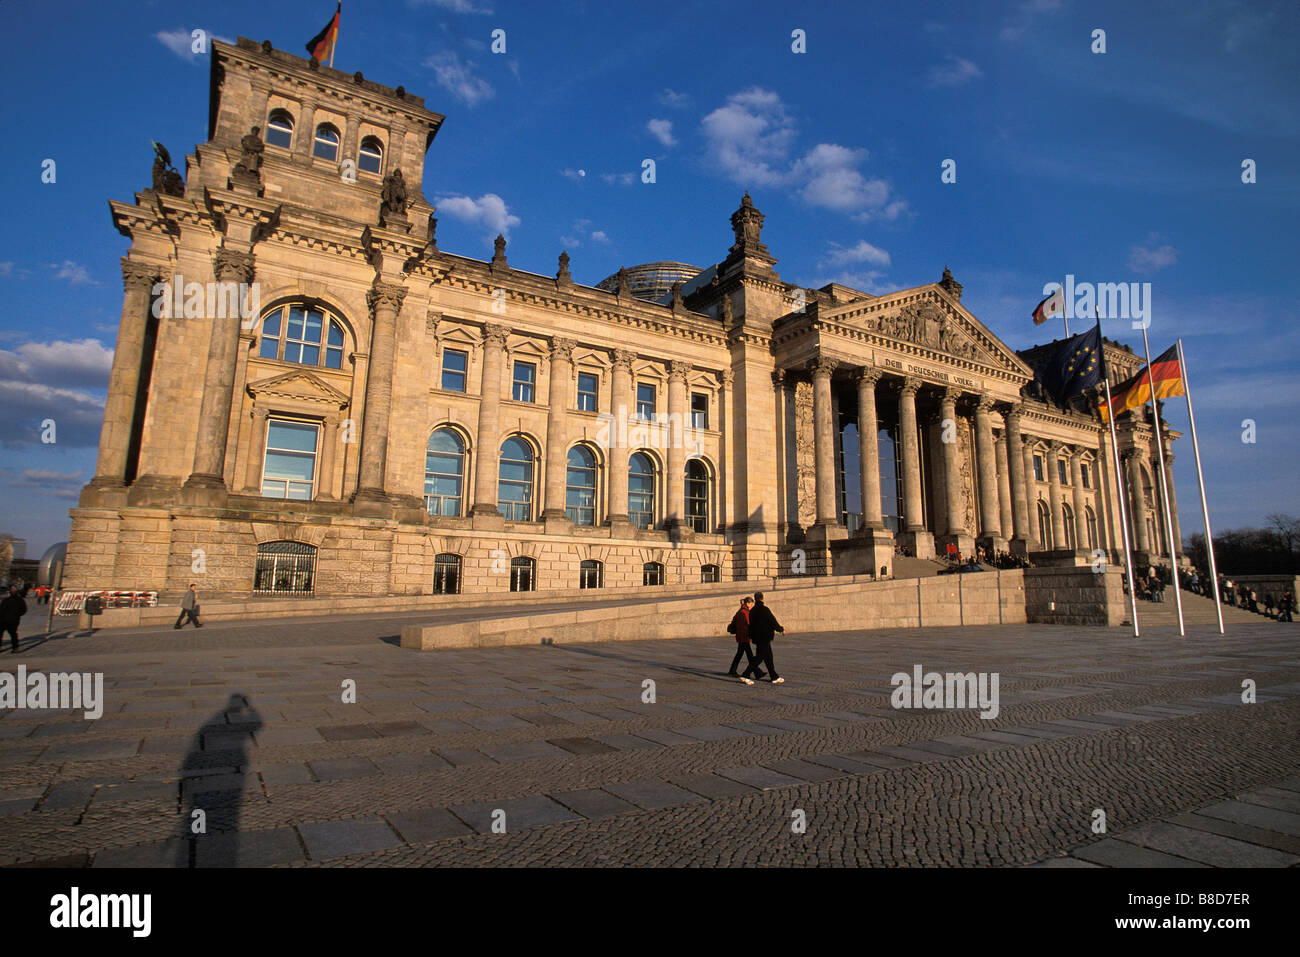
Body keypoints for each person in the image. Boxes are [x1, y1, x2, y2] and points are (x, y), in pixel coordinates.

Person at [741, 591, 786, 684]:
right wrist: (781, 629)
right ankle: (745, 675)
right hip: (765, 637)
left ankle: (774, 676)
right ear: (762, 599)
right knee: (759, 658)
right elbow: (773, 621)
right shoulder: (765, 610)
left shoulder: (752, 611)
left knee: (768, 657)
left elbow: (751, 625)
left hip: (757, 638)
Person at [725, 596, 763, 683]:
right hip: (743, 637)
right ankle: (757, 672)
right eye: (751, 604)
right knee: (749, 655)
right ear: (748, 603)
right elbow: (745, 626)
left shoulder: (743, 611)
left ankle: (733, 670)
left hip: (742, 637)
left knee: (740, 654)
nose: (752, 605)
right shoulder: (743, 612)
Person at [1, 584, 27, 652]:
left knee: (2, 633)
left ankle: (13, 647)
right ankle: (15, 647)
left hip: (4, 619)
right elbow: (24, 610)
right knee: (13, 634)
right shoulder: (20, 600)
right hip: (14, 619)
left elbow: (1, 609)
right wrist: (18, 615)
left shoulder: (6, 600)